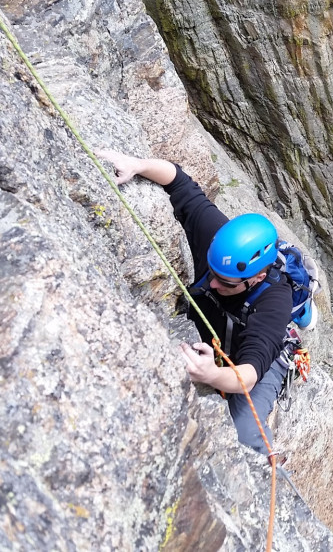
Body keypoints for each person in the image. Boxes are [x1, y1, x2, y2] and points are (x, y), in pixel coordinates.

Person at [96, 150, 293, 457]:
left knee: (244, 431)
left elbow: (249, 374)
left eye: (225, 282)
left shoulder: (274, 302)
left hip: (255, 359)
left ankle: (269, 468)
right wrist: (137, 165)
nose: (212, 284)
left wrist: (212, 375)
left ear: (257, 278)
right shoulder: (218, 241)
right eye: (212, 273)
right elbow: (179, 181)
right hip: (217, 335)